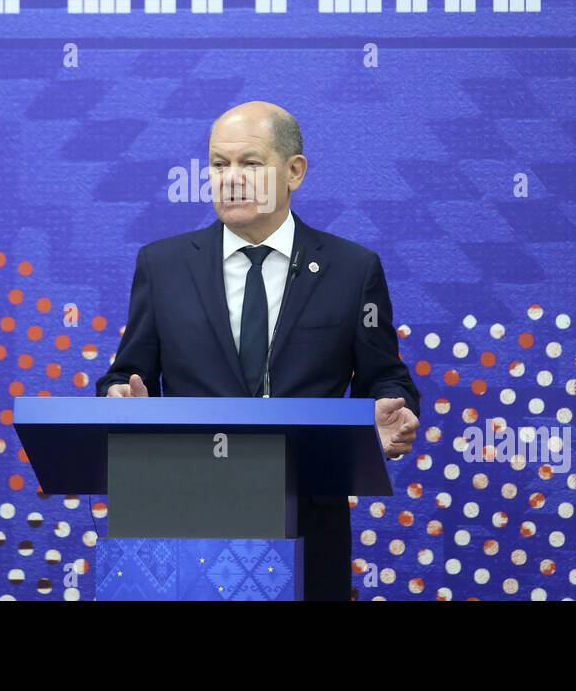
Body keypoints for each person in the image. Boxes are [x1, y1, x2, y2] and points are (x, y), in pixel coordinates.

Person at [96, 101, 420, 600]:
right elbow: (127, 373)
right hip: (185, 525)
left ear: (294, 171)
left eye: (250, 163)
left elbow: (386, 378)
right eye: (219, 165)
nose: (230, 179)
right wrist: (120, 396)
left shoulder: (352, 271)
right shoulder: (162, 266)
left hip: (307, 522)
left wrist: (387, 415)